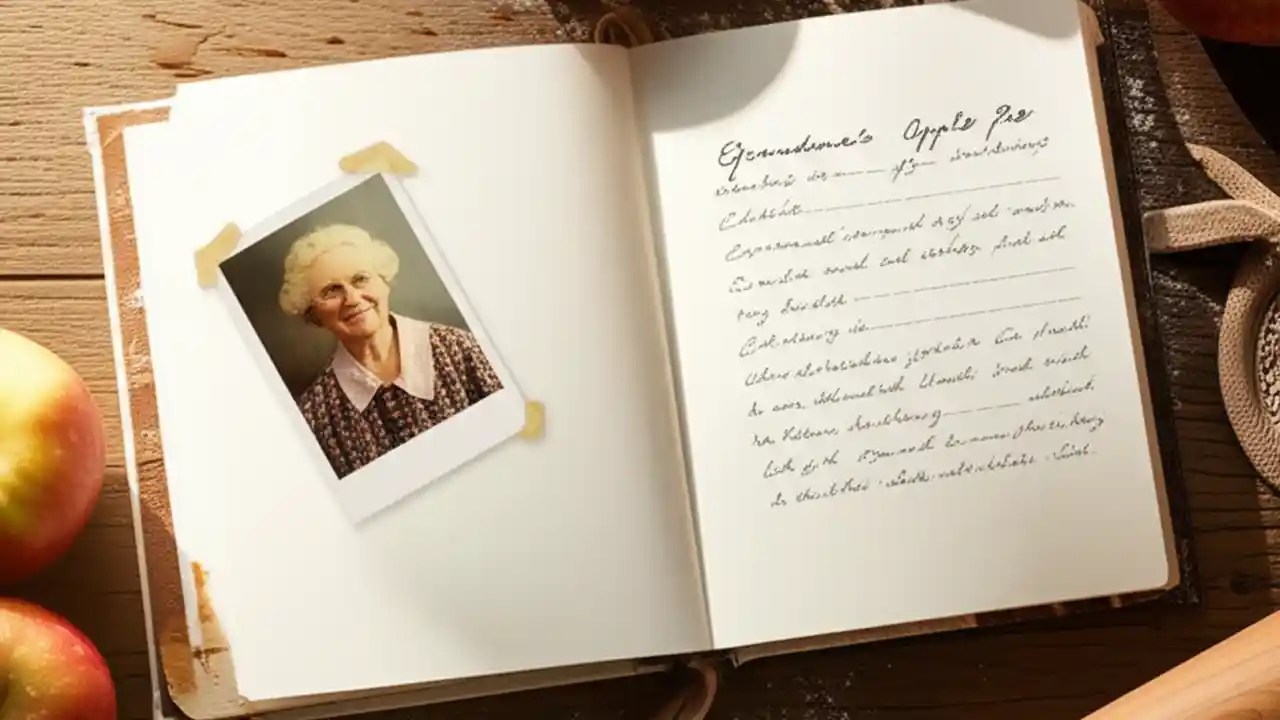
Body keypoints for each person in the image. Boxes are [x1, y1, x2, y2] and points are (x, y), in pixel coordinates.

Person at [277, 223, 503, 478]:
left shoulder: (463, 351)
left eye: (360, 279)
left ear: (384, 283)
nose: (352, 298)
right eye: (331, 291)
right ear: (313, 313)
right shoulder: (313, 419)